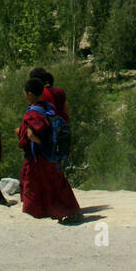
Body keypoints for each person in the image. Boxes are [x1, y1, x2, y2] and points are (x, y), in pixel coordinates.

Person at [17, 78, 81, 223]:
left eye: (25, 93)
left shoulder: (32, 113)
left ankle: (43, 213)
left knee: (35, 186)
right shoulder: (48, 107)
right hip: (52, 155)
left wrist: (42, 143)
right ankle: (71, 210)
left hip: (39, 156)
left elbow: (31, 135)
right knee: (57, 182)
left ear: (30, 94)